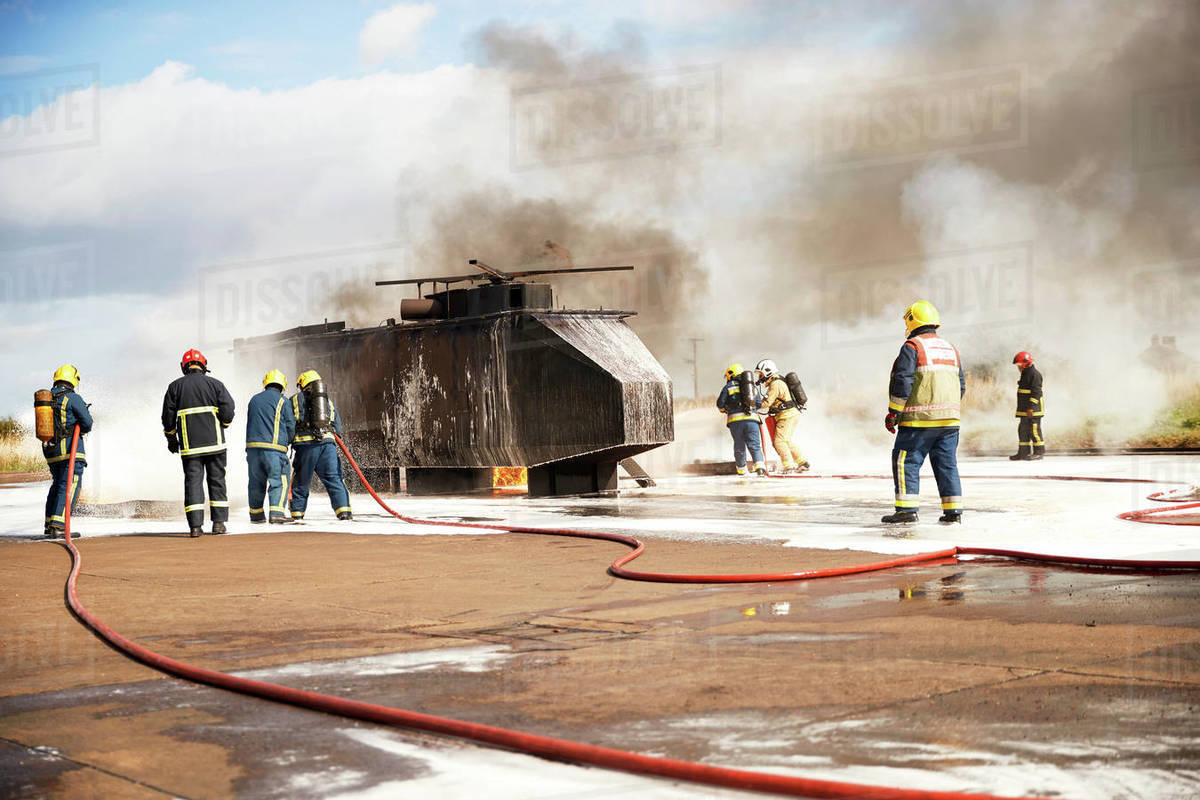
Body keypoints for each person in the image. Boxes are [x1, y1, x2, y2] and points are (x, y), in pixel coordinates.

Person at [882, 301, 965, 524]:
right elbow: (961, 385)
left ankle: (906, 511)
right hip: (950, 422)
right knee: (947, 464)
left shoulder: (912, 347)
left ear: (911, 321)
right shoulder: (951, 349)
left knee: (905, 461)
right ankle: (953, 512)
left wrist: (894, 413)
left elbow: (903, 381)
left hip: (919, 423)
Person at [162, 349, 236, 537]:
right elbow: (228, 408)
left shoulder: (175, 387)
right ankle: (219, 524)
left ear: (183, 367)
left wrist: (172, 438)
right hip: (215, 444)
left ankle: (195, 527)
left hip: (190, 446)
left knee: (193, 483)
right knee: (217, 481)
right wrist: (224, 424)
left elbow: (167, 417)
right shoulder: (215, 384)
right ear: (204, 365)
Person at [289, 370, 352, 521]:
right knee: (334, 479)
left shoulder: (295, 400)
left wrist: (290, 440)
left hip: (306, 446)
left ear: (303, 385)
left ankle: (297, 514)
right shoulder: (328, 402)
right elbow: (337, 426)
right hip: (327, 446)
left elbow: (289, 423)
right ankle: (344, 512)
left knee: (301, 481)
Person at [41, 364, 93, 539]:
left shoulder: (49, 398)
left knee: (58, 485)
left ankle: (50, 525)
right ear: (73, 379)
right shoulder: (72, 398)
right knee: (70, 485)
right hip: (70, 451)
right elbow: (87, 423)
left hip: (51, 452)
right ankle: (59, 525)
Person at [246, 369, 296, 524]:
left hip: (253, 449)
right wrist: (288, 441)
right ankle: (276, 513)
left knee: (255, 482)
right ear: (282, 386)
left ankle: (256, 515)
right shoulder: (283, 401)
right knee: (279, 480)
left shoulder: (254, 399)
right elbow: (290, 426)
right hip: (274, 450)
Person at [754, 358, 809, 474]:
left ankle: (789, 466)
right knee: (786, 440)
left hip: (786, 415)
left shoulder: (775, 384)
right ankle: (803, 463)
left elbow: (767, 402)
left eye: (761, 374)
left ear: (767, 371)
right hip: (790, 414)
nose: (760, 377)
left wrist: (753, 405)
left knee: (779, 441)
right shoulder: (777, 382)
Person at [716, 363, 766, 476]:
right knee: (755, 445)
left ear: (730, 374)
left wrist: (726, 409)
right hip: (752, 420)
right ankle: (760, 468)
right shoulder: (752, 386)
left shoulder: (728, 387)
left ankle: (742, 470)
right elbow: (758, 403)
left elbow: (720, 404)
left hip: (735, 422)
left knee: (739, 445)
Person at [1010, 351, 1045, 461]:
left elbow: (1037, 392)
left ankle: (1039, 452)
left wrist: (1031, 407)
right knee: (1023, 430)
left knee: (1034, 430)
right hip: (1024, 409)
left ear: (1026, 363)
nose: (1018, 368)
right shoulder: (1025, 374)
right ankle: (1023, 453)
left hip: (1033, 410)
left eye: (1019, 365)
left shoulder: (1035, 374)